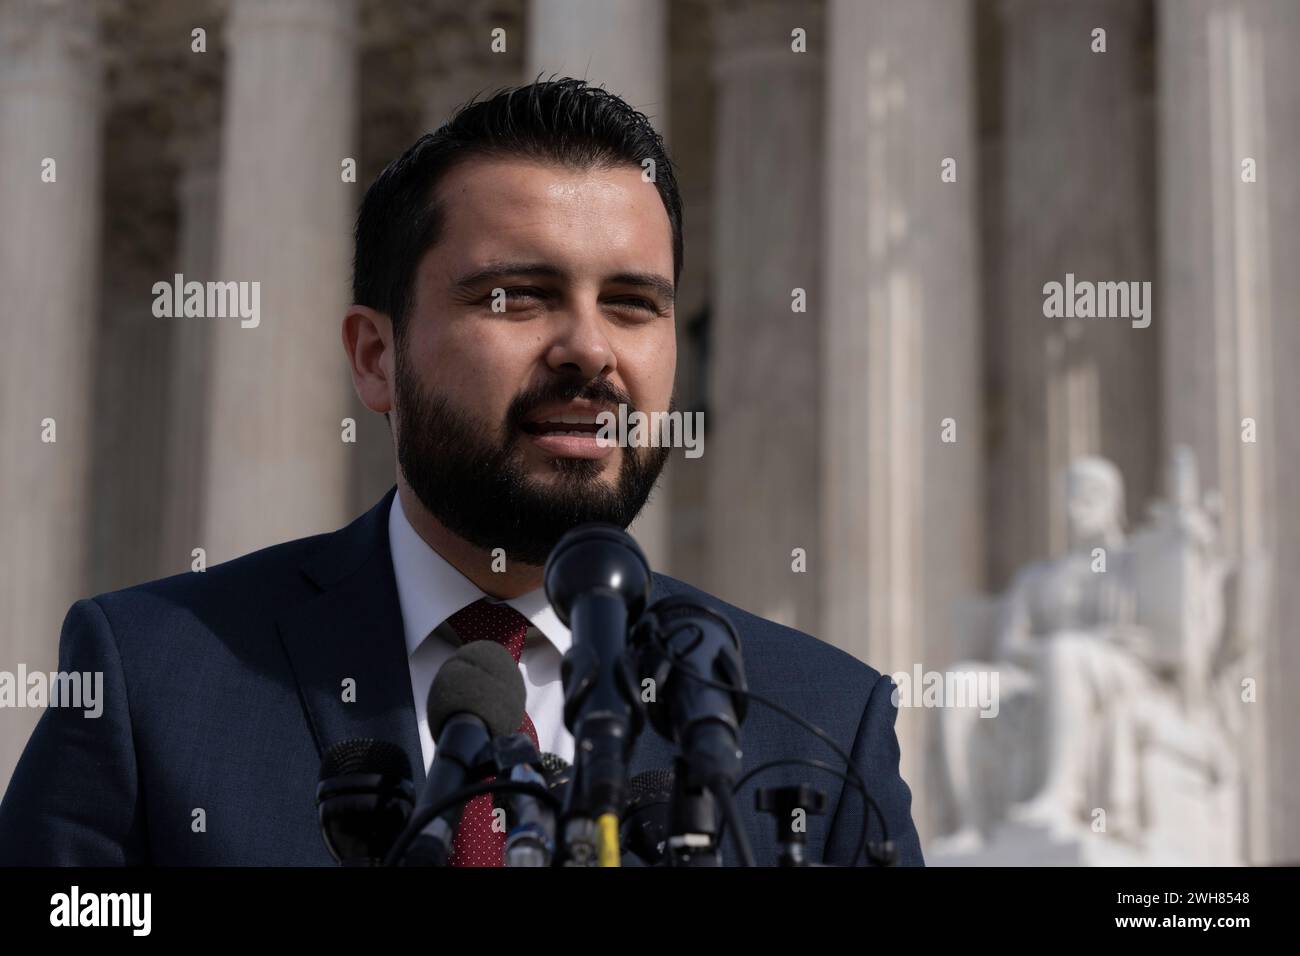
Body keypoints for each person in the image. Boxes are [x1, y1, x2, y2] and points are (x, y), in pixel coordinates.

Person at [0, 78, 922, 867]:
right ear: (375, 357)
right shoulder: (158, 679)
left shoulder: (818, 725)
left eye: (634, 304)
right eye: (516, 296)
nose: (590, 350)